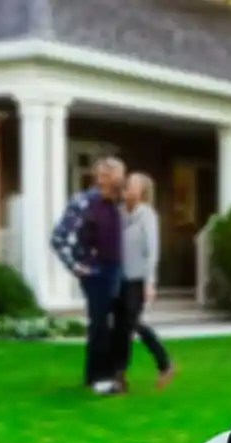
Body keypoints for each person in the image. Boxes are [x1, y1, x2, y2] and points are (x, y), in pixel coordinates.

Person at [51, 156, 125, 395]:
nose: (118, 180)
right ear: (101, 177)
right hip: (95, 271)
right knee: (100, 324)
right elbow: (58, 238)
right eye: (113, 175)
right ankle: (100, 379)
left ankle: (99, 375)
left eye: (118, 175)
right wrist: (76, 266)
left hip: (116, 270)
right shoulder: (83, 203)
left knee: (112, 324)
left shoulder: (118, 204)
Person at [111, 172, 174, 389]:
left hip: (138, 279)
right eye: (127, 184)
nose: (127, 187)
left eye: (133, 185)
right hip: (119, 278)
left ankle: (165, 363)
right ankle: (119, 375)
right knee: (120, 328)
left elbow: (152, 251)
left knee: (133, 322)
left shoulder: (147, 215)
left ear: (142, 192)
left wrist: (150, 283)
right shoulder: (119, 213)